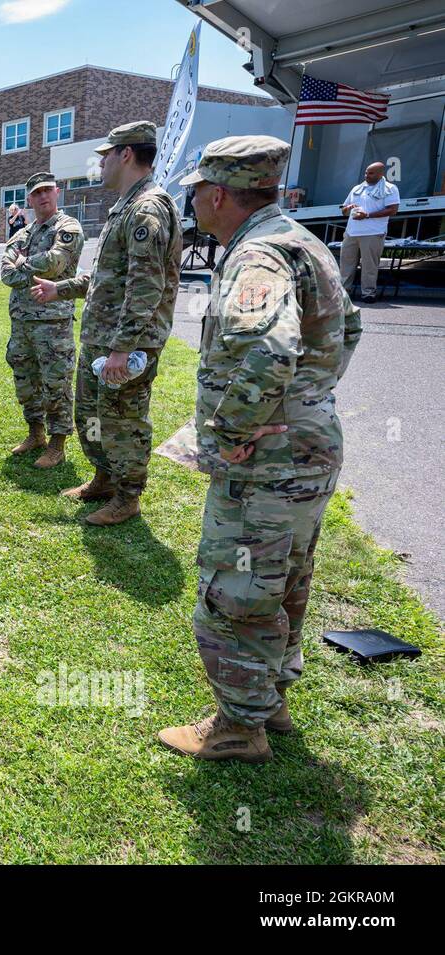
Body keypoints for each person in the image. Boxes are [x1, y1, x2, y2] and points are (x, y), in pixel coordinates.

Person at [157, 136, 363, 762]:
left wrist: (231, 433)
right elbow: (348, 329)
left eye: (196, 190)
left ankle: (238, 727)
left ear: (218, 193)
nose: (192, 201)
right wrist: (307, 404)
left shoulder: (259, 257)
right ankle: (269, 701)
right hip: (307, 449)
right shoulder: (303, 243)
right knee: (284, 580)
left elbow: (267, 349)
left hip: (267, 466)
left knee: (236, 590)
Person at [32, 121, 182, 526]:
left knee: (123, 420)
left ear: (126, 155)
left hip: (125, 344)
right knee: (93, 415)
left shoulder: (147, 209)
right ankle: (104, 479)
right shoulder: (126, 205)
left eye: (106, 155)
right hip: (103, 339)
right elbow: (106, 281)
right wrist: (58, 289)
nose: (102, 164)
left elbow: (146, 287)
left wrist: (122, 348)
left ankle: (127, 497)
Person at [0, 172, 84, 469]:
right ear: (29, 199)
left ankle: (57, 445)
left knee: (56, 383)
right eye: (37, 193)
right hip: (22, 322)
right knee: (26, 380)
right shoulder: (21, 234)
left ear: (57, 192)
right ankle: (35, 434)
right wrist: (27, 266)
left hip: (53, 324)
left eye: (47, 190)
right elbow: (5, 274)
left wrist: (23, 262)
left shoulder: (67, 227)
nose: (43, 196)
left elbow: (55, 262)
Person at [339, 161, 398, 304]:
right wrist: (348, 208)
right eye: (366, 172)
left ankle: (368, 293)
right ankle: (343, 294)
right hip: (352, 232)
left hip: (373, 232)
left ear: (380, 174)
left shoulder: (390, 188)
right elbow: (343, 210)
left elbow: (393, 210)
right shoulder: (358, 188)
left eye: (371, 173)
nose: (367, 175)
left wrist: (368, 215)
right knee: (346, 264)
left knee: (369, 265)